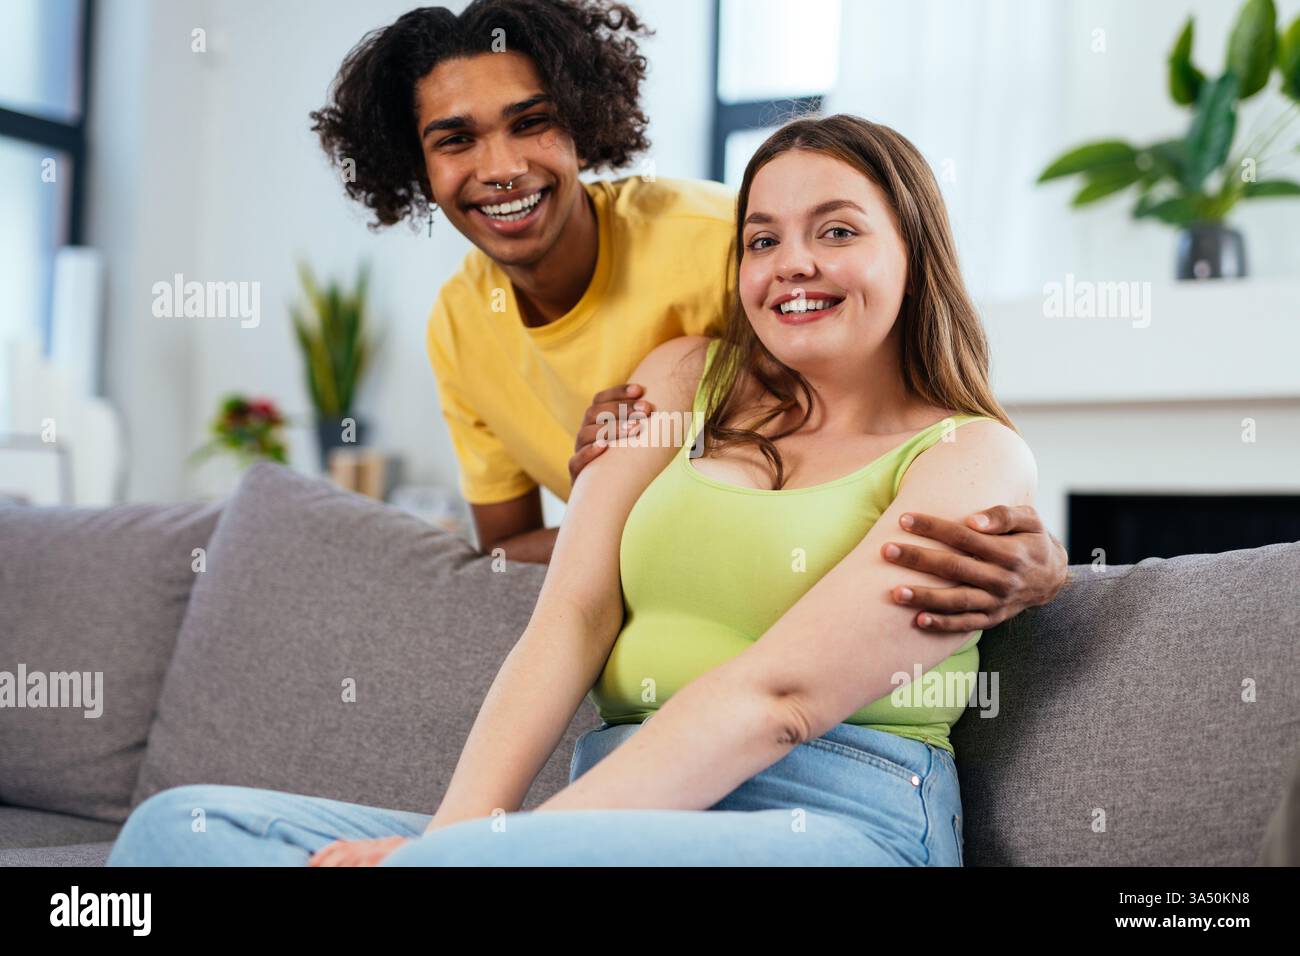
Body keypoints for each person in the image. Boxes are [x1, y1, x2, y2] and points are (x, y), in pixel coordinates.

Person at [106, 113, 1037, 866]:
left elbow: (776, 699)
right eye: (762, 239)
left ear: (915, 251)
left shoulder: (970, 456)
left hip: (835, 821)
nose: (791, 262)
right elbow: (571, 618)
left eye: (836, 230)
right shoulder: (679, 380)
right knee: (179, 833)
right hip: (609, 816)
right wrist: (458, 837)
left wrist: (494, 855)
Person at [309, 0, 1068, 637]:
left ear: (578, 123)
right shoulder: (457, 324)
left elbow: (900, 422)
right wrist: (617, 496)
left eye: (531, 122)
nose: (501, 166)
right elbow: (507, 546)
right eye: (456, 139)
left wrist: (1040, 555)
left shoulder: (726, 244)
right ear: (418, 167)